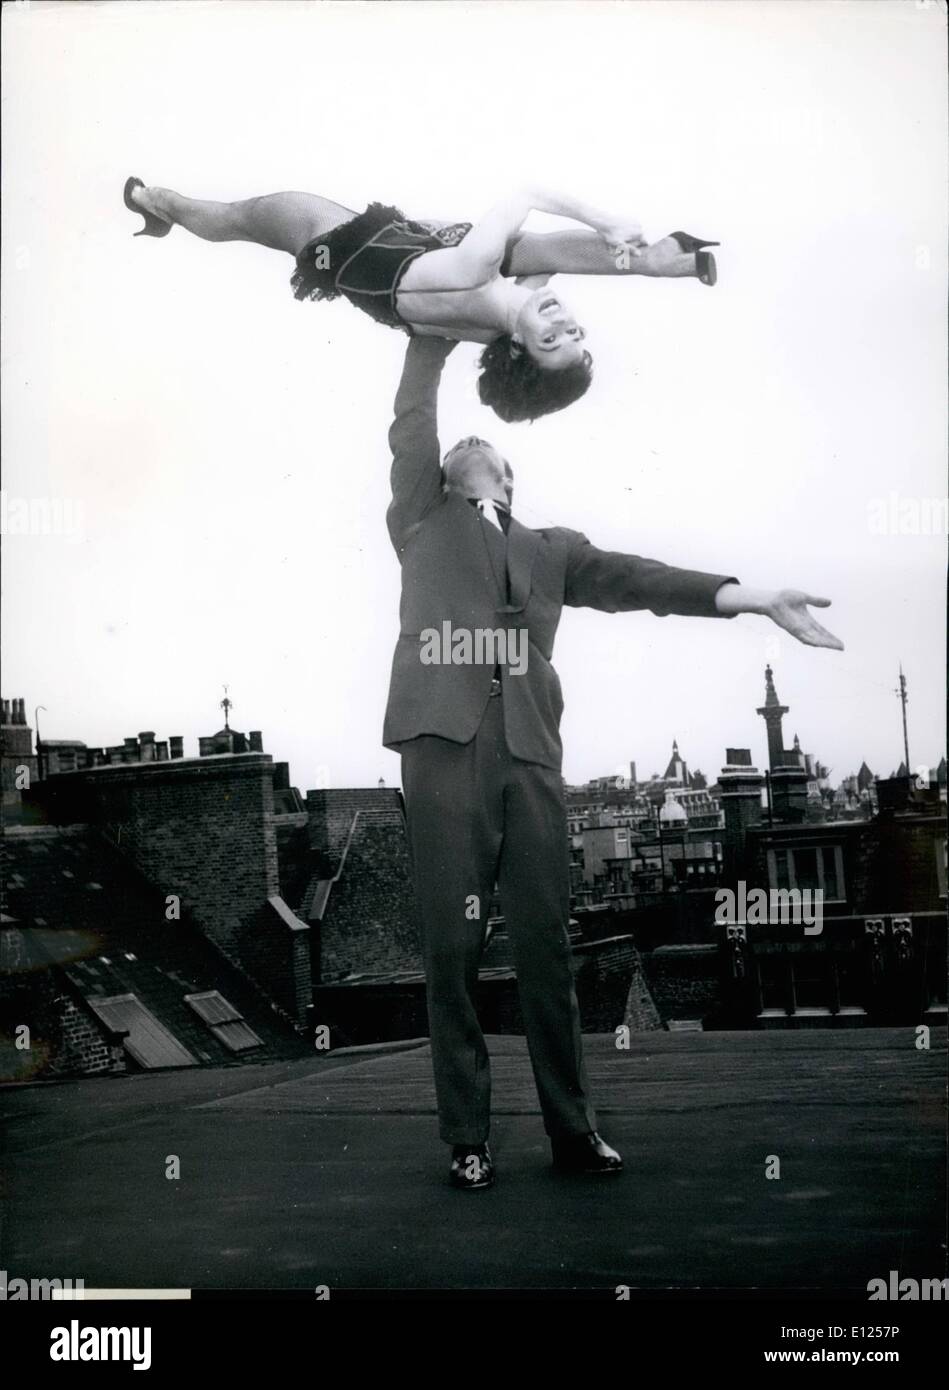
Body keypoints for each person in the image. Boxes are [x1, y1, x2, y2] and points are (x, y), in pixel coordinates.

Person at [383, 335, 843, 1190]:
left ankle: (572, 1130)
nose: (469, 446)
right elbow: (412, 426)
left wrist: (747, 598)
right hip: (442, 752)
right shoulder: (419, 520)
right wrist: (430, 336)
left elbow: (641, 580)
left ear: (512, 482)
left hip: (529, 756)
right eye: (458, 451)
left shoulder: (550, 548)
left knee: (546, 949)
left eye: (489, 452)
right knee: (452, 948)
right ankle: (467, 1139)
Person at [124, 177, 718, 423]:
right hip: (412, 259)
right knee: (539, 255)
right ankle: (664, 263)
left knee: (236, 219)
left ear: (518, 351)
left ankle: (158, 204)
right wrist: (635, 260)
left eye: (551, 340)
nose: (564, 323)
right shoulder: (499, 321)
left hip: (337, 244)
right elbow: (557, 264)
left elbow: (529, 190)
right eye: (574, 336)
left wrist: (607, 220)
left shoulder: (475, 273)